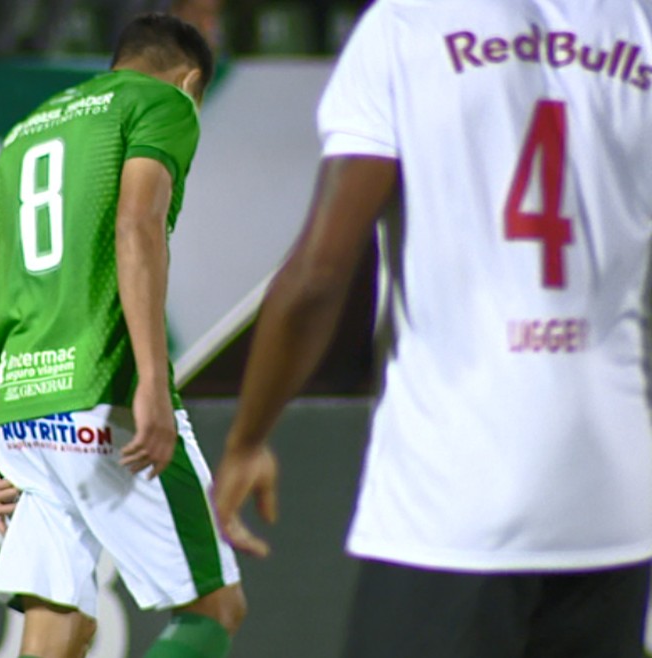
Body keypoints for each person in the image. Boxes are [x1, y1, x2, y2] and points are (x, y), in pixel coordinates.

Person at [211, 0, 652, 656]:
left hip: (455, 500)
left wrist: (248, 438)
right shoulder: (636, 26)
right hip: (615, 499)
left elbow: (319, 275)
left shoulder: (406, 25)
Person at [0, 13, 246, 658]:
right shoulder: (163, 102)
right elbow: (137, 222)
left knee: (55, 630)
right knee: (214, 607)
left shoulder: (24, 134)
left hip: (21, 415)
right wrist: (150, 383)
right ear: (191, 79)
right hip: (100, 394)